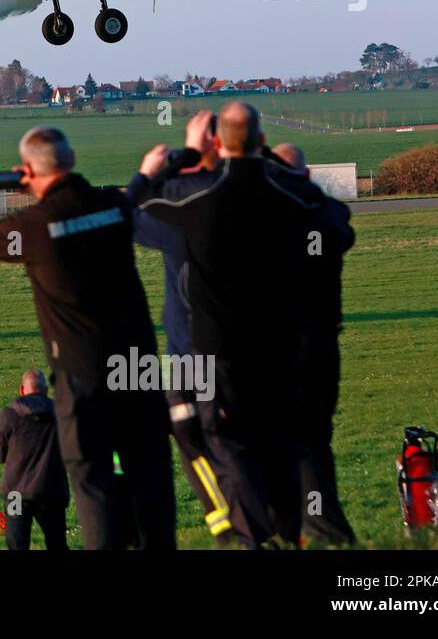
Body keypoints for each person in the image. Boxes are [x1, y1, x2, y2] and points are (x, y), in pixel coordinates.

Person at [0, 127, 176, 550]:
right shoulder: (112, 207)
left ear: (26, 171)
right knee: (149, 472)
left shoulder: (35, 227)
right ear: (72, 158)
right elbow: (132, 200)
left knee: (92, 480)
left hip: (82, 376)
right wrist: (147, 174)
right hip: (138, 368)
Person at [130, 102, 324, 548]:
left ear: (211, 143)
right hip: (270, 348)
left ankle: (244, 528)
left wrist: (173, 161)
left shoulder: (188, 203)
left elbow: (130, 214)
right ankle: (278, 527)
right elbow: (310, 196)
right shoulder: (282, 196)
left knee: (207, 438)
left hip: (195, 349)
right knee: (264, 441)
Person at [127, 115, 235, 544]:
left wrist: (157, 170)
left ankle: (226, 514)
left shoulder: (183, 219)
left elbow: (129, 214)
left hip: (194, 349)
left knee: (192, 428)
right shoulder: (253, 197)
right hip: (247, 344)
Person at [271, 143, 357, 546]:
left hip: (282, 345)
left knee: (285, 441)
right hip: (323, 343)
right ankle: (312, 526)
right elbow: (341, 222)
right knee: (314, 438)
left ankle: (309, 530)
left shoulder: (267, 216)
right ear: (306, 176)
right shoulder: (328, 215)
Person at [0, 369, 70, 550]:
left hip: (15, 494)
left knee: (16, 544)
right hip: (51, 490)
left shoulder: (9, 414)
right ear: (45, 390)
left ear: (22, 390)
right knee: (57, 543)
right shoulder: (61, 414)